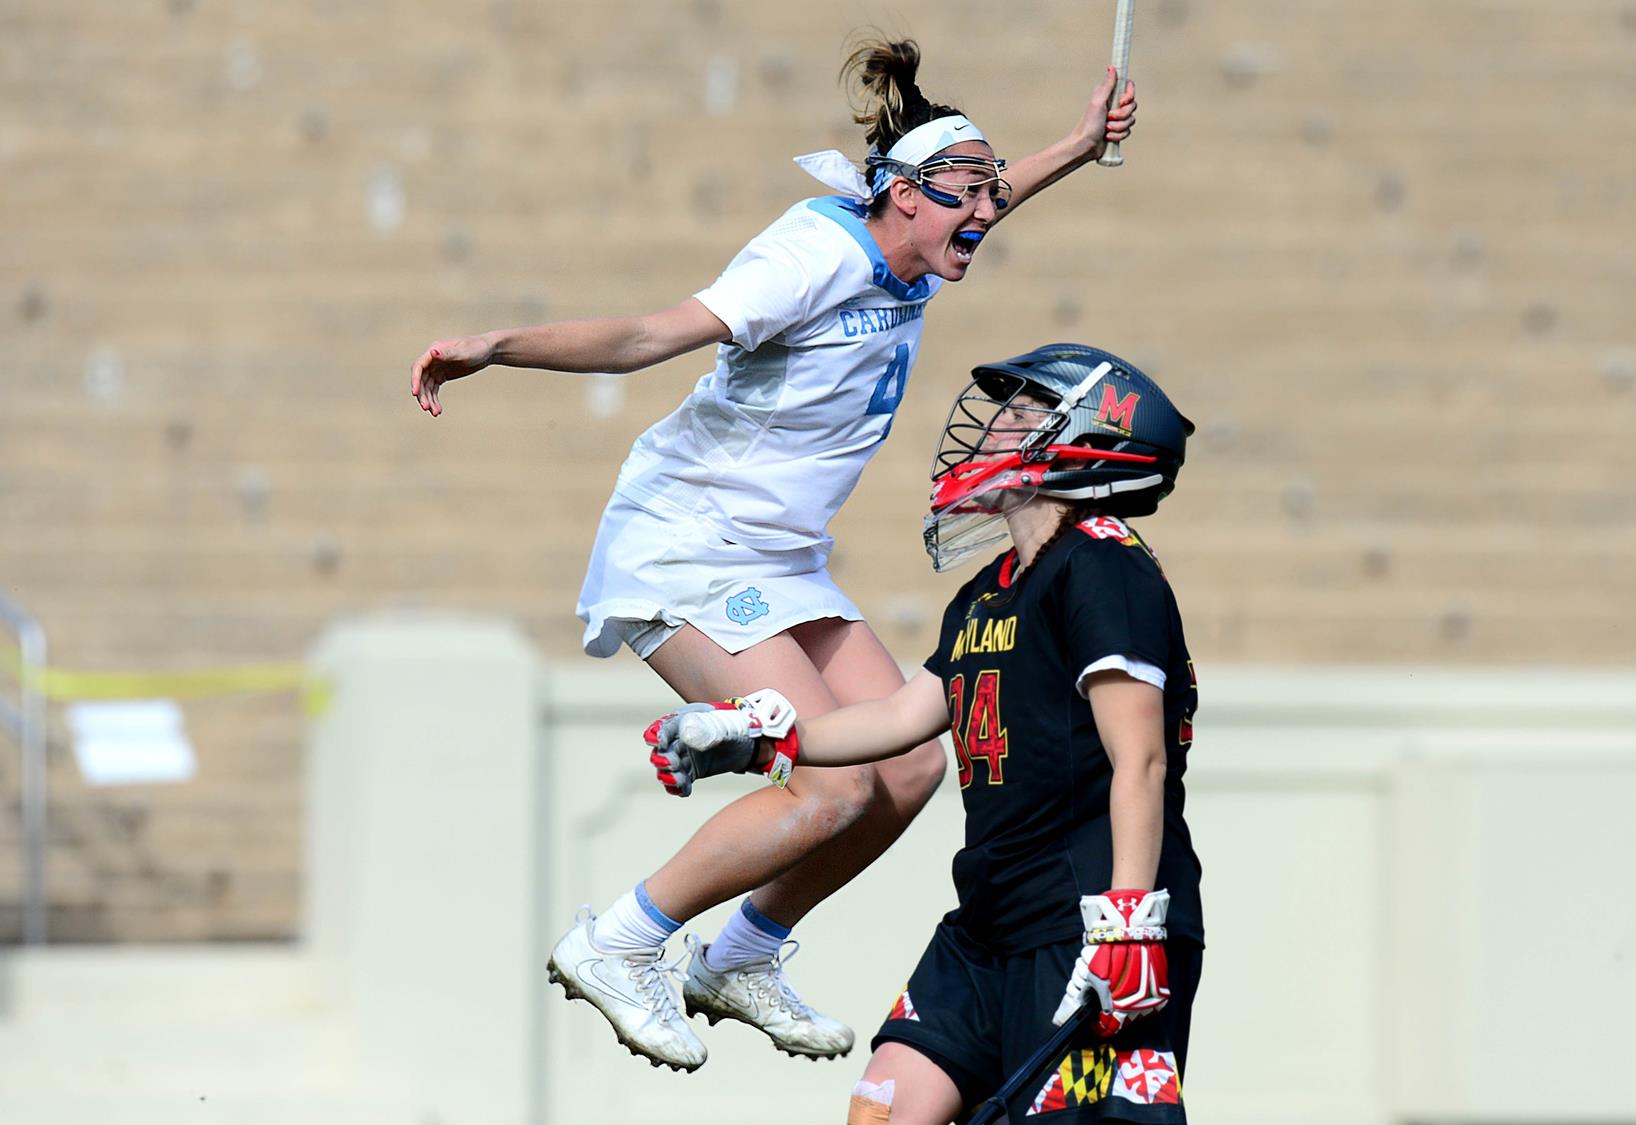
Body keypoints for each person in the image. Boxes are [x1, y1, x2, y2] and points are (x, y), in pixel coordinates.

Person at [411, 39, 1139, 1071]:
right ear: (897, 194)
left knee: (909, 763)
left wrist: (1076, 142)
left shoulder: (917, 237)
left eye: (987, 189)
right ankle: (617, 941)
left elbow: (985, 191)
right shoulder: (816, 256)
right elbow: (647, 337)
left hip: (777, 555)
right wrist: (496, 346)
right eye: (962, 192)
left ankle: (740, 955)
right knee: (831, 787)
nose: (984, 209)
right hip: (689, 546)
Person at [649, 343, 1203, 1123]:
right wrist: (763, 739)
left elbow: (1140, 761)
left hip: (1091, 917)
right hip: (987, 920)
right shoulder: (990, 590)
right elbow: (902, 717)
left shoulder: (1102, 566)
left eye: (1019, 413)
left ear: (1089, 438)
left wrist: (1129, 918)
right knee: (881, 1108)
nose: (990, 430)